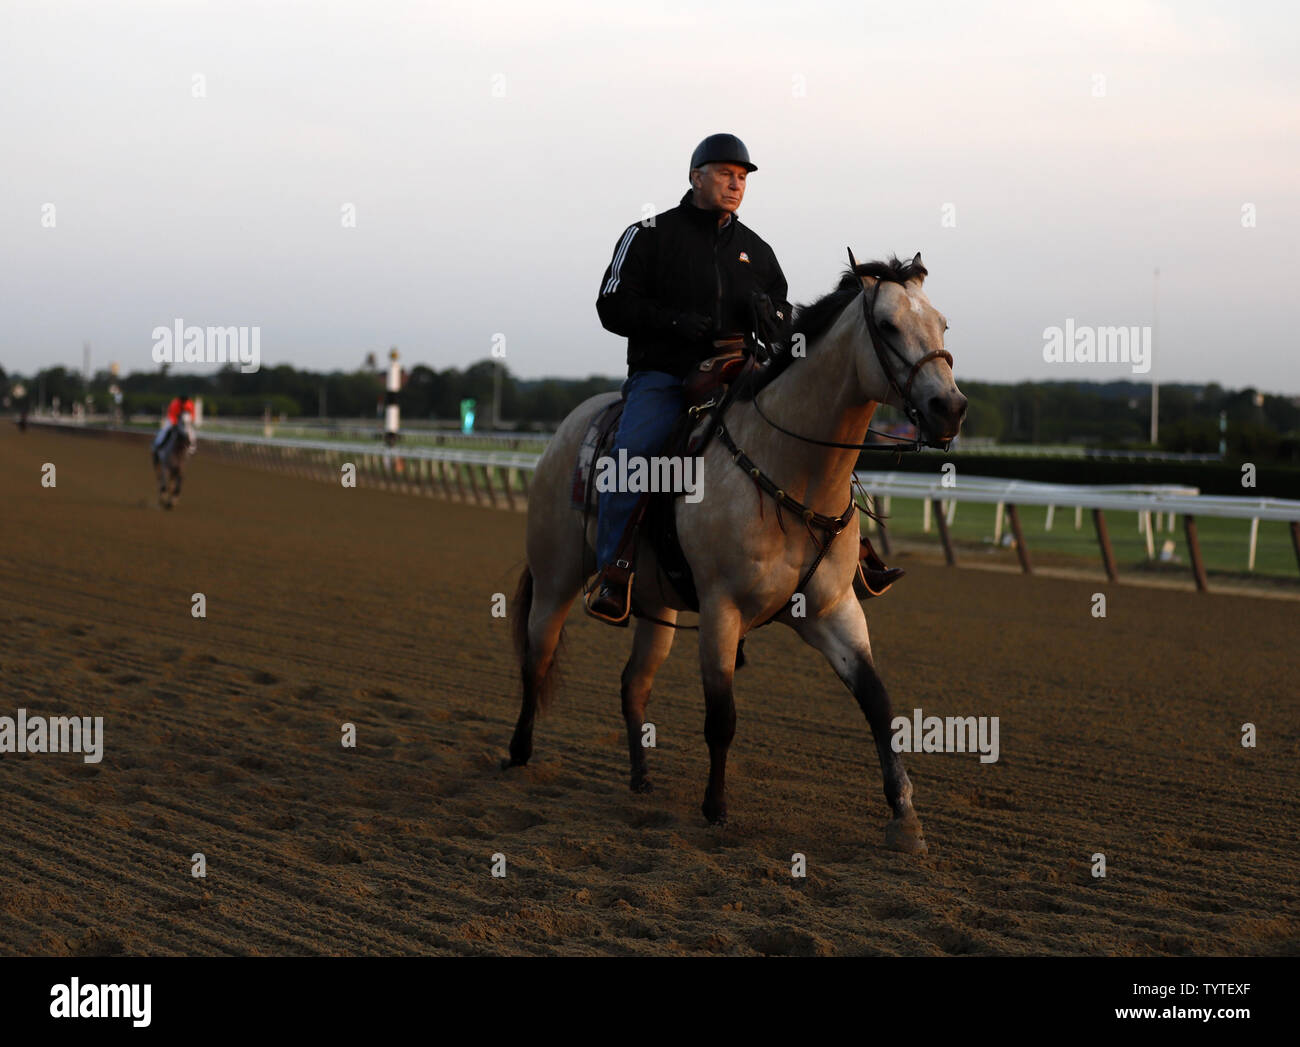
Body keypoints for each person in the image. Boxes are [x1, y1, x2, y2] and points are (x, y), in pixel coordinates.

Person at [587, 134, 900, 624]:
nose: (736, 184)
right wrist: (674, 322)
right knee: (633, 458)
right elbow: (611, 303)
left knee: (814, 437)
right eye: (726, 174)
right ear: (696, 177)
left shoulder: (758, 249)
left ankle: (856, 553)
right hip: (666, 376)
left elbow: (782, 315)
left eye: (743, 177)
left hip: (742, 371)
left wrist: (769, 314)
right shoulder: (648, 234)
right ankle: (614, 571)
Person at [152, 393, 196, 457]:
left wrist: (191, 421)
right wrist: (174, 424)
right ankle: (159, 444)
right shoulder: (175, 403)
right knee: (165, 430)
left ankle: (192, 449)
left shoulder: (190, 403)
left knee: (192, 433)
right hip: (172, 421)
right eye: (182, 400)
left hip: (185, 423)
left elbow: (192, 414)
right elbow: (172, 415)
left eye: (185, 400)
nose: (184, 402)